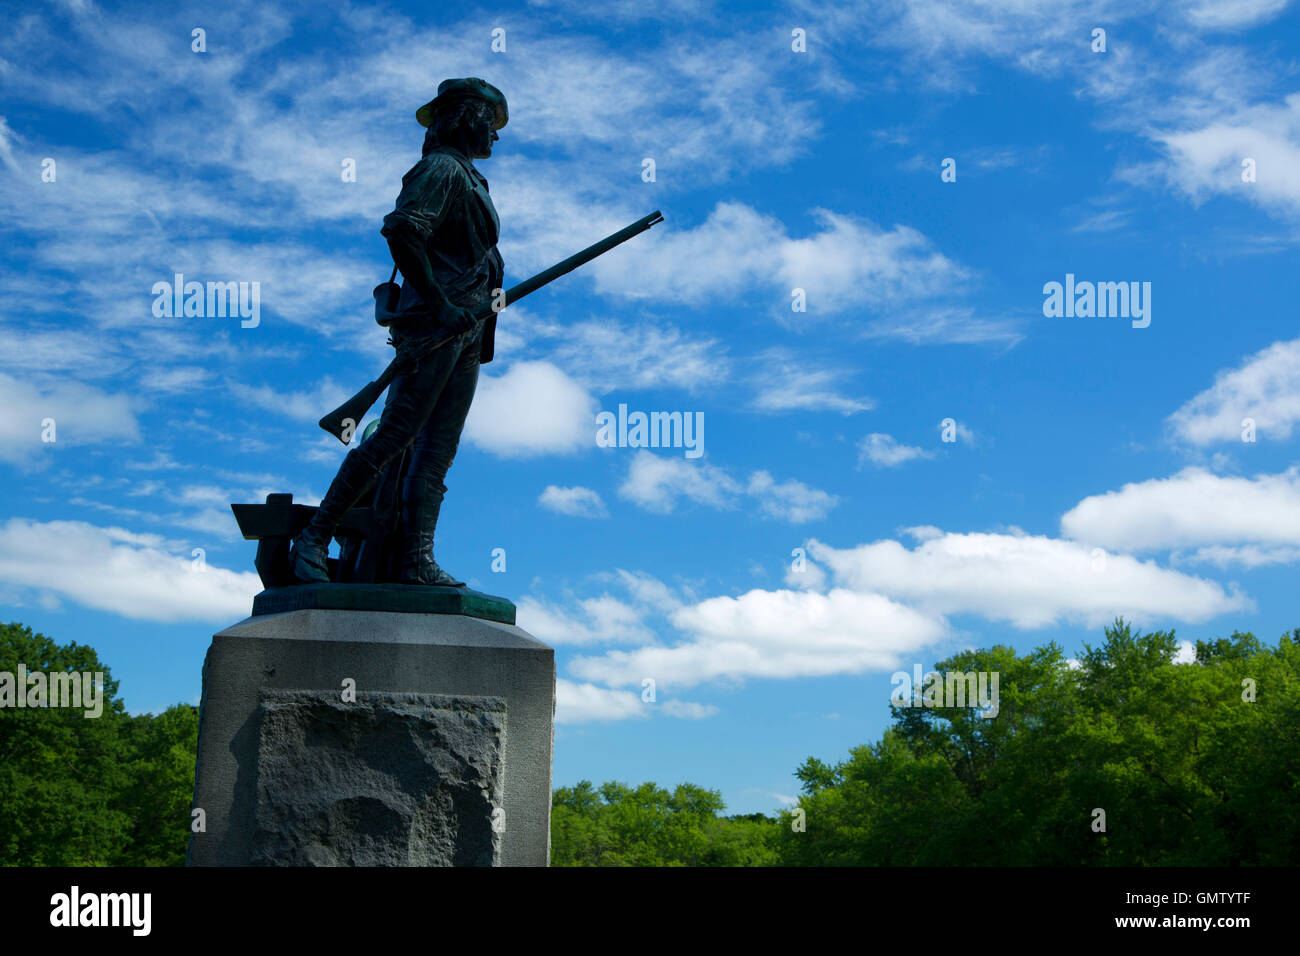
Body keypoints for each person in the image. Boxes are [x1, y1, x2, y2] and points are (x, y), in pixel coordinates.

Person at [289, 78, 508, 587]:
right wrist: (440, 301)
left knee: (438, 451)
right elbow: (404, 231)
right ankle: (316, 536)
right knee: (394, 436)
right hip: (436, 324)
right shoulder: (441, 169)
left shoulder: (472, 179)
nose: (495, 135)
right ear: (463, 117)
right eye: (488, 120)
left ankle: (417, 560)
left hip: (468, 328)